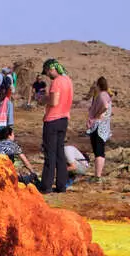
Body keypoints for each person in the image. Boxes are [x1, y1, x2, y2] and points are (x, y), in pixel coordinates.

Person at [39, 58, 73, 194]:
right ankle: (61, 185)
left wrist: (43, 99)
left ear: (51, 69)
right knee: (60, 153)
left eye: (47, 72)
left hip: (52, 120)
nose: (47, 75)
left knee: (50, 154)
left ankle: (46, 186)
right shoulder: (68, 81)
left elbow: (54, 101)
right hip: (64, 119)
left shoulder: (57, 82)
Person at [86, 76, 113, 179]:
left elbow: (105, 106)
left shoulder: (102, 95)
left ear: (98, 85)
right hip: (103, 126)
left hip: (98, 126)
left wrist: (97, 114)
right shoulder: (106, 95)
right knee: (100, 150)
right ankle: (98, 174)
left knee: (98, 151)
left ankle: (97, 176)